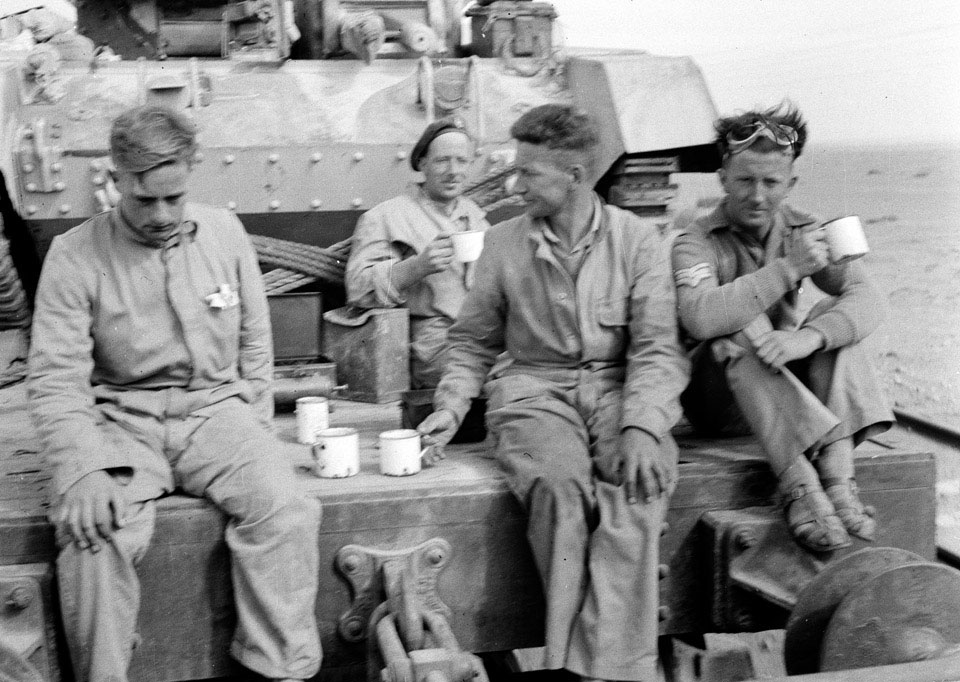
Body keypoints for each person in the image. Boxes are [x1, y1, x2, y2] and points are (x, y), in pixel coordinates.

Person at [27, 105, 321, 682]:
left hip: (216, 414)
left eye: (174, 198)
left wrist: (255, 430)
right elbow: (56, 379)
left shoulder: (225, 233)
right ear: (116, 179)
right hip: (121, 422)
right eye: (144, 200)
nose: (161, 215)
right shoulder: (74, 255)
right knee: (93, 535)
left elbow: (256, 343)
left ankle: (278, 671)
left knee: (286, 509)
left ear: (190, 174)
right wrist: (82, 469)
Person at [417, 104, 689, 682]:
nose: (515, 187)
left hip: (620, 391)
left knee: (639, 487)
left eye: (529, 175)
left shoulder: (639, 242)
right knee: (561, 492)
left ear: (575, 175)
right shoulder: (502, 244)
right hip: (533, 392)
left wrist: (643, 427)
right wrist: (451, 406)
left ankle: (593, 670)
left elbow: (658, 348)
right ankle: (582, 667)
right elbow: (471, 342)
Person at [671, 102, 893, 553]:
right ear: (722, 180)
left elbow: (870, 299)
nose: (757, 196)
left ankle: (837, 474)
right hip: (717, 401)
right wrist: (788, 269)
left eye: (771, 183)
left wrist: (806, 338)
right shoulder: (695, 240)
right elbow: (700, 316)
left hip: (781, 393)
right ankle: (800, 489)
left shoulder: (803, 229)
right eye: (745, 181)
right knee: (737, 326)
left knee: (836, 325)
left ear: (790, 183)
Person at [345, 116, 490, 388]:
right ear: (422, 164)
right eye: (442, 160)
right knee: (500, 378)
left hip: (483, 336)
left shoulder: (475, 216)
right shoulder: (387, 216)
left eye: (462, 161)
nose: (453, 171)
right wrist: (417, 267)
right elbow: (357, 289)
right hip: (433, 344)